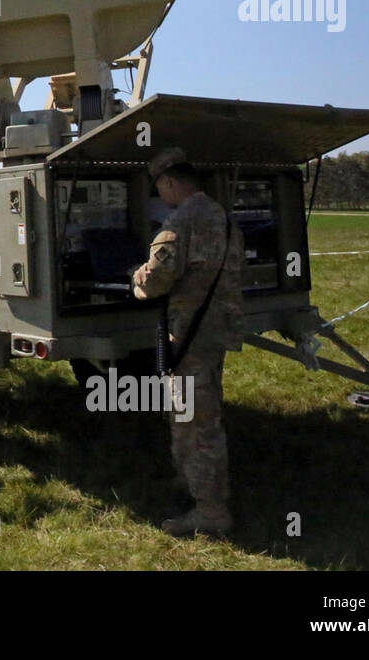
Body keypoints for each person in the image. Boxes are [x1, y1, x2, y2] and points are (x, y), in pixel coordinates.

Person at [131, 147, 244, 538]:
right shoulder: (222, 218)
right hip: (214, 332)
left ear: (170, 182)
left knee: (195, 423)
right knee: (200, 413)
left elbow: (157, 279)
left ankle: (210, 512)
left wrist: (137, 280)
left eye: (160, 186)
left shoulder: (180, 224)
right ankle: (193, 488)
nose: (160, 194)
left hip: (189, 337)